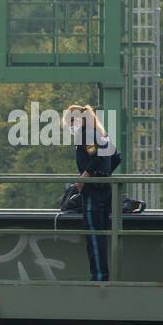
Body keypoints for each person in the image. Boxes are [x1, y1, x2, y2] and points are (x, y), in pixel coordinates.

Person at [66, 104, 117, 281]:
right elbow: (116, 156)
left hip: (92, 193)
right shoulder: (99, 133)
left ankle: (99, 277)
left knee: (94, 235)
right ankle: (103, 275)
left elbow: (94, 157)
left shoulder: (86, 134)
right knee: (101, 235)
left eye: (70, 122)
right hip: (106, 191)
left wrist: (83, 179)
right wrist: (105, 173)